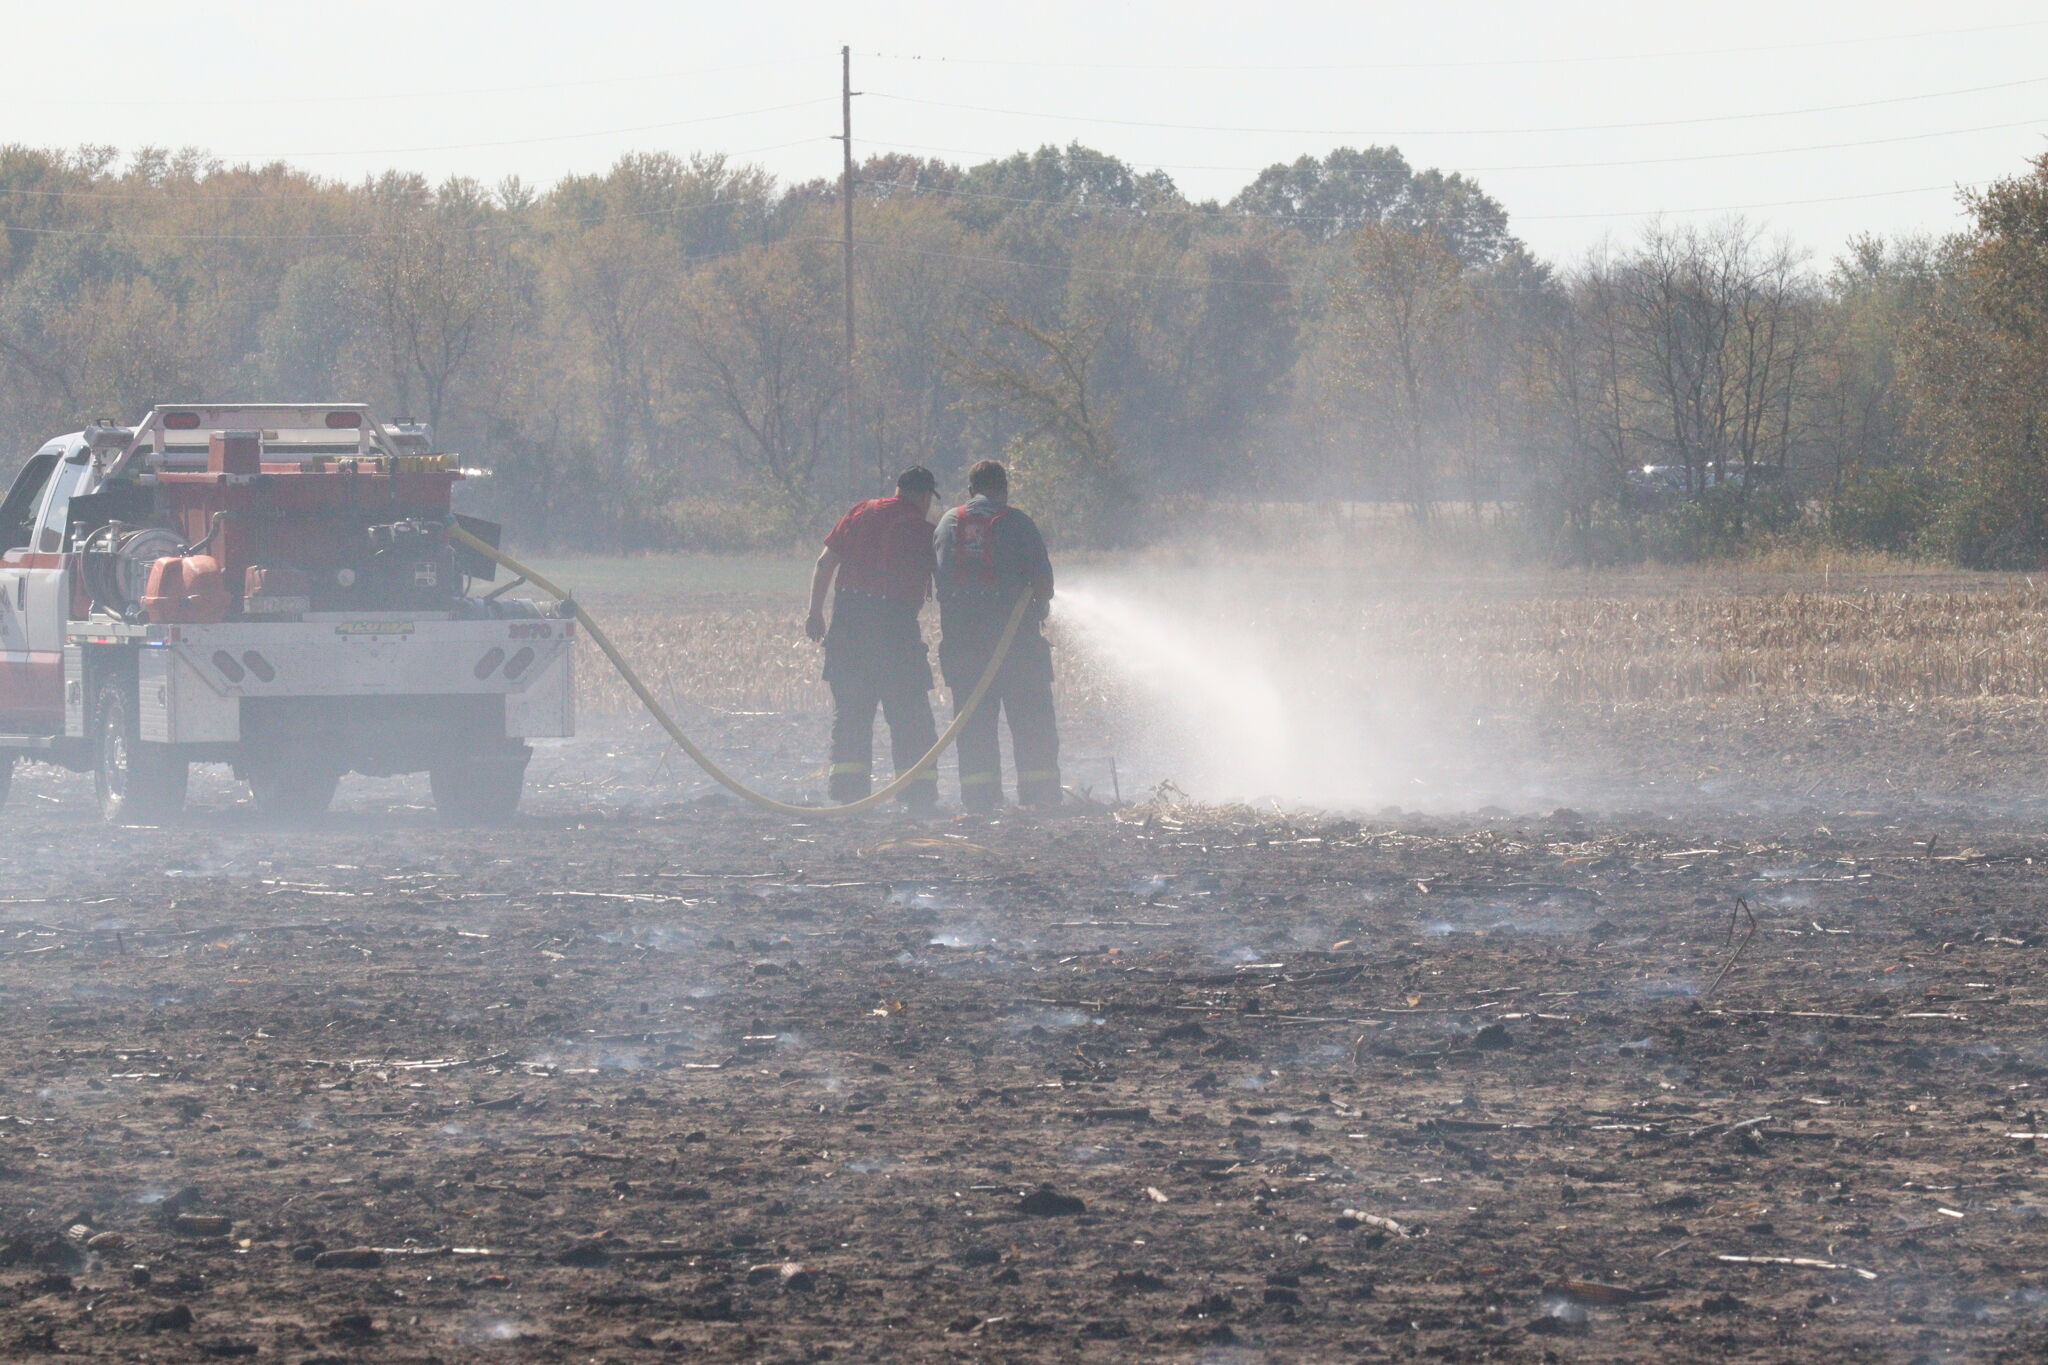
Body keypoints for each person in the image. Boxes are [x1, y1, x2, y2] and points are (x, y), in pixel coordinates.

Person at [805, 467, 942, 811]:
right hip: (895, 630)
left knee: (852, 714)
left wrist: (815, 612)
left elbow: (826, 562)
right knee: (910, 715)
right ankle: (918, 795)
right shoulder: (925, 531)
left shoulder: (861, 512)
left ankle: (849, 795)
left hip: (848, 628)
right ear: (925, 497)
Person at [933, 459, 1061, 813]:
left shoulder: (947, 523)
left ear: (971, 490)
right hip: (1017, 646)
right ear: (1004, 488)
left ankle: (980, 798)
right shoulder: (1018, 522)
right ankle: (1041, 796)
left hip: (962, 647)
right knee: (1032, 718)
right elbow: (1045, 585)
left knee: (973, 724)